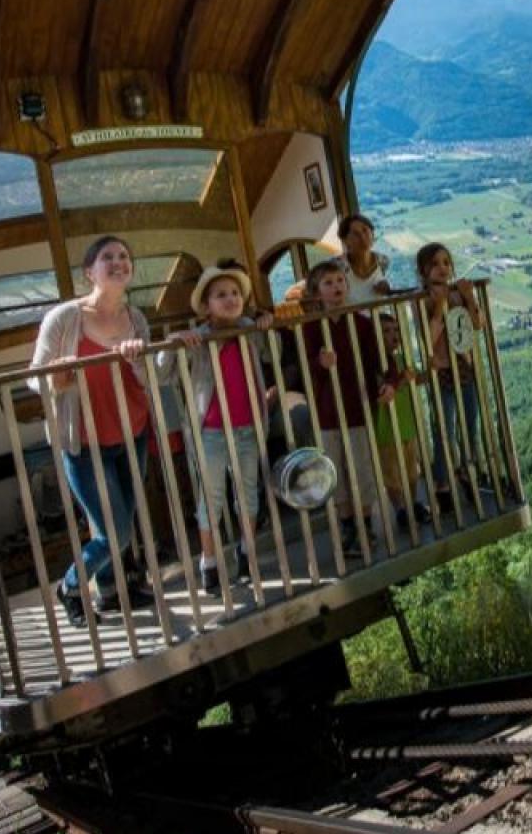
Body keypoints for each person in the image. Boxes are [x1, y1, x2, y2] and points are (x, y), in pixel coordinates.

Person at [29, 235, 155, 627]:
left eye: (124, 255)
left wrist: (138, 360)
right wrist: (57, 378)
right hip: (83, 444)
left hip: (132, 433)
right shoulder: (64, 318)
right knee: (114, 533)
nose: (118, 262)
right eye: (108, 257)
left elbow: (146, 375)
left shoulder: (136, 319)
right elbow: (35, 376)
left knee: (118, 524)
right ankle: (70, 586)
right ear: (89, 272)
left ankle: (112, 592)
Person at [160, 261, 271, 592]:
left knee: (249, 494)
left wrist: (266, 327)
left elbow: (271, 358)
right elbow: (164, 373)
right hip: (211, 433)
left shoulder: (249, 329)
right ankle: (209, 562)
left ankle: (246, 553)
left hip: (249, 427)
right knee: (212, 499)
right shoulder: (199, 338)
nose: (230, 299)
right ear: (206, 307)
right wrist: (175, 342)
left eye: (235, 293)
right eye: (221, 295)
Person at [289, 258, 398, 559]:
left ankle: (363, 525)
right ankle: (348, 525)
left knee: (360, 468)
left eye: (340, 281)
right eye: (328, 283)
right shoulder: (311, 329)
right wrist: (320, 365)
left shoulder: (361, 324)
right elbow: (306, 371)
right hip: (326, 413)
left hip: (357, 408)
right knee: (335, 470)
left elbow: (382, 361)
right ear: (316, 291)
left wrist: (390, 384)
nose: (336, 287)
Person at [332, 214, 427, 532]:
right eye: (355, 233)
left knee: (390, 394)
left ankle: (406, 501)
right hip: (352, 339)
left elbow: (382, 295)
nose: (362, 237)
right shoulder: (339, 269)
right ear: (344, 239)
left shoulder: (381, 262)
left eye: (366, 231)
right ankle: (385, 499)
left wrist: (388, 291)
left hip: (377, 339)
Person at [416, 242, 487, 502]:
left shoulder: (458, 294)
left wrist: (469, 297)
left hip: (465, 367)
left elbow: (477, 325)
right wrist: (439, 306)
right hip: (442, 370)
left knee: (469, 424)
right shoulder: (422, 299)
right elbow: (428, 338)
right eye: (434, 264)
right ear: (423, 270)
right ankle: (443, 482)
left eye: (446, 262)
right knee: (443, 429)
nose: (442, 268)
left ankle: (469, 472)